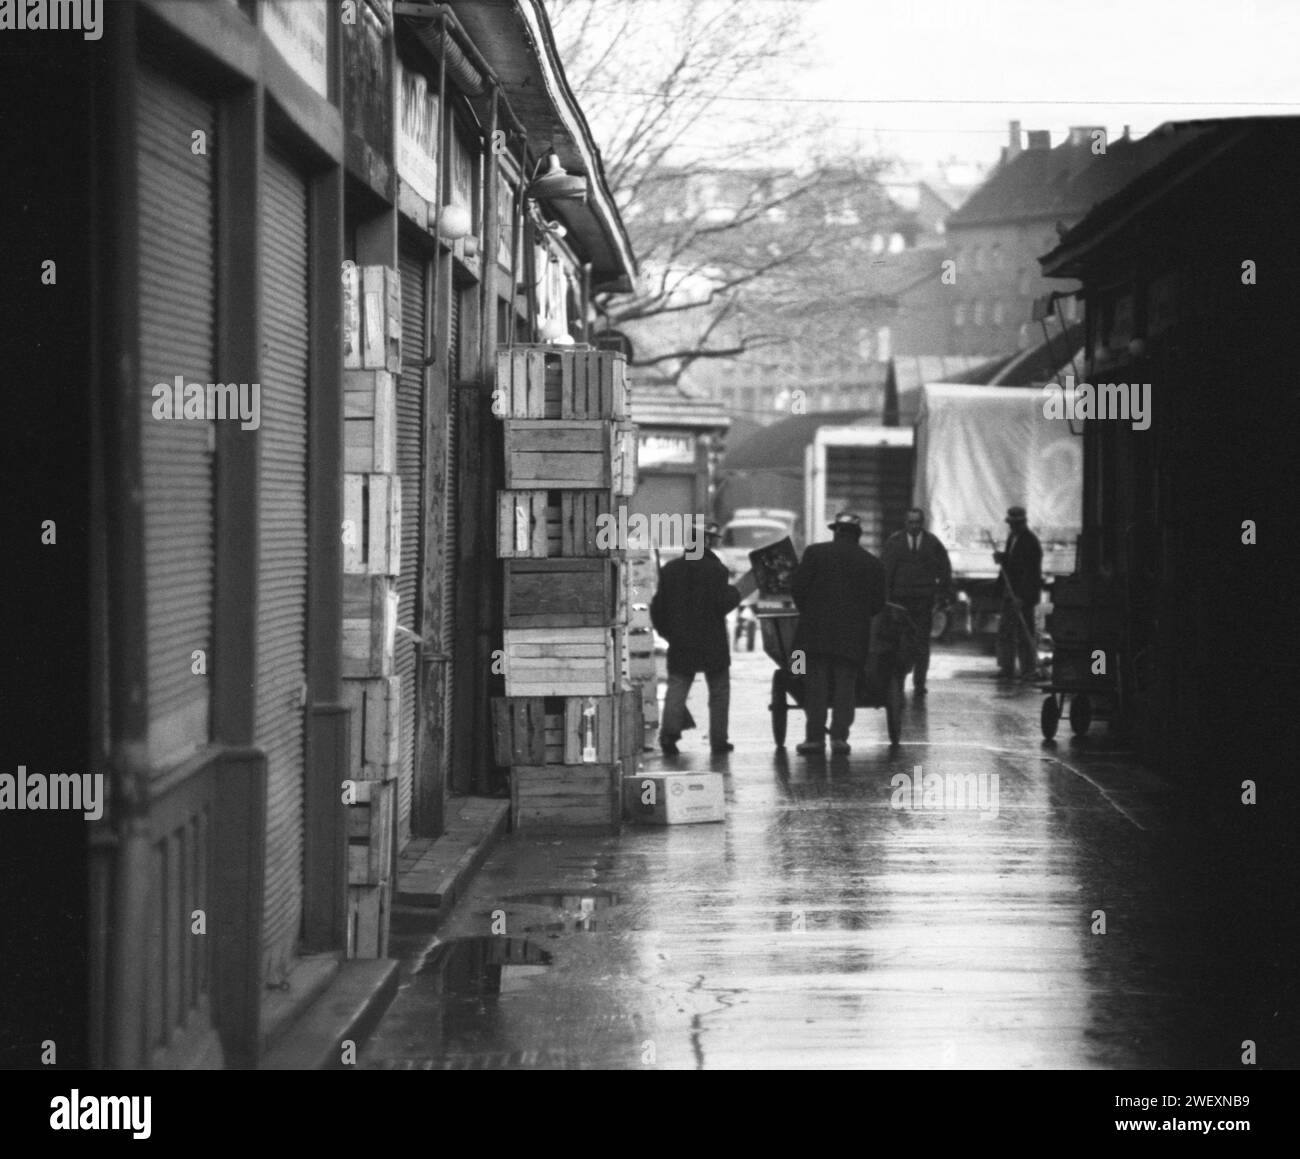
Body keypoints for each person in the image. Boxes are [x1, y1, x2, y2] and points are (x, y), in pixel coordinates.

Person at [788, 511, 887, 755]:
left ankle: (814, 739)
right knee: (846, 688)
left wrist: (809, 611)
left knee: (815, 687)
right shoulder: (872, 563)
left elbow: (797, 587)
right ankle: (840, 739)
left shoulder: (815, 553)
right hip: (852, 639)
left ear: (836, 532)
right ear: (857, 535)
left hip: (814, 636)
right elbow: (877, 604)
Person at [650, 519, 741, 755]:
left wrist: (668, 633)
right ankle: (719, 740)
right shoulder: (716, 570)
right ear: (708, 541)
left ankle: (668, 736)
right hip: (713, 642)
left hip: (681, 641)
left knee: (678, 686)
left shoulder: (671, 569)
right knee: (719, 691)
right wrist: (735, 593)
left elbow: (657, 608)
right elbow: (723, 603)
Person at [881, 507, 953, 696]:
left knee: (921, 644)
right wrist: (886, 600)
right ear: (905, 523)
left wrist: (943, 595)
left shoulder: (932, 543)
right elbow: (886, 572)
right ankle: (899, 681)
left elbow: (944, 569)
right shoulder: (895, 542)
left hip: (923, 602)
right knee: (900, 643)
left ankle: (919, 683)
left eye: (917, 522)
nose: (914, 526)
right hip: (900, 603)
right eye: (911, 522)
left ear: (922, 523)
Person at [993, 505, 1042, 680]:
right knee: (1006, 631)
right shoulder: (1013, 537)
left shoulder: (1030, 541)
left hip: (1022, 595)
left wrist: (1023, 597)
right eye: (1011, 524)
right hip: (1010, 591)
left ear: (1022, 523)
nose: (1012, 527)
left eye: (1015, 524)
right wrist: (1002, 558)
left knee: (1024, 632)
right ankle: (1006, 668)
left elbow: (1030, 572)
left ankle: (1028, 669)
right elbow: (1013, 563)